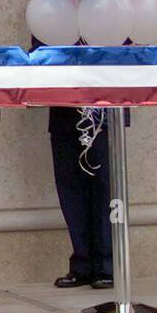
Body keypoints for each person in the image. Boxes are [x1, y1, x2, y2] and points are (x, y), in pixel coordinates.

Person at [49, 106, 115, 289]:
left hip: (103, 112)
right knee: (71, 192)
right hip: (64, 112)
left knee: (105, 190)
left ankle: (107, 265)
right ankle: (82, 264)